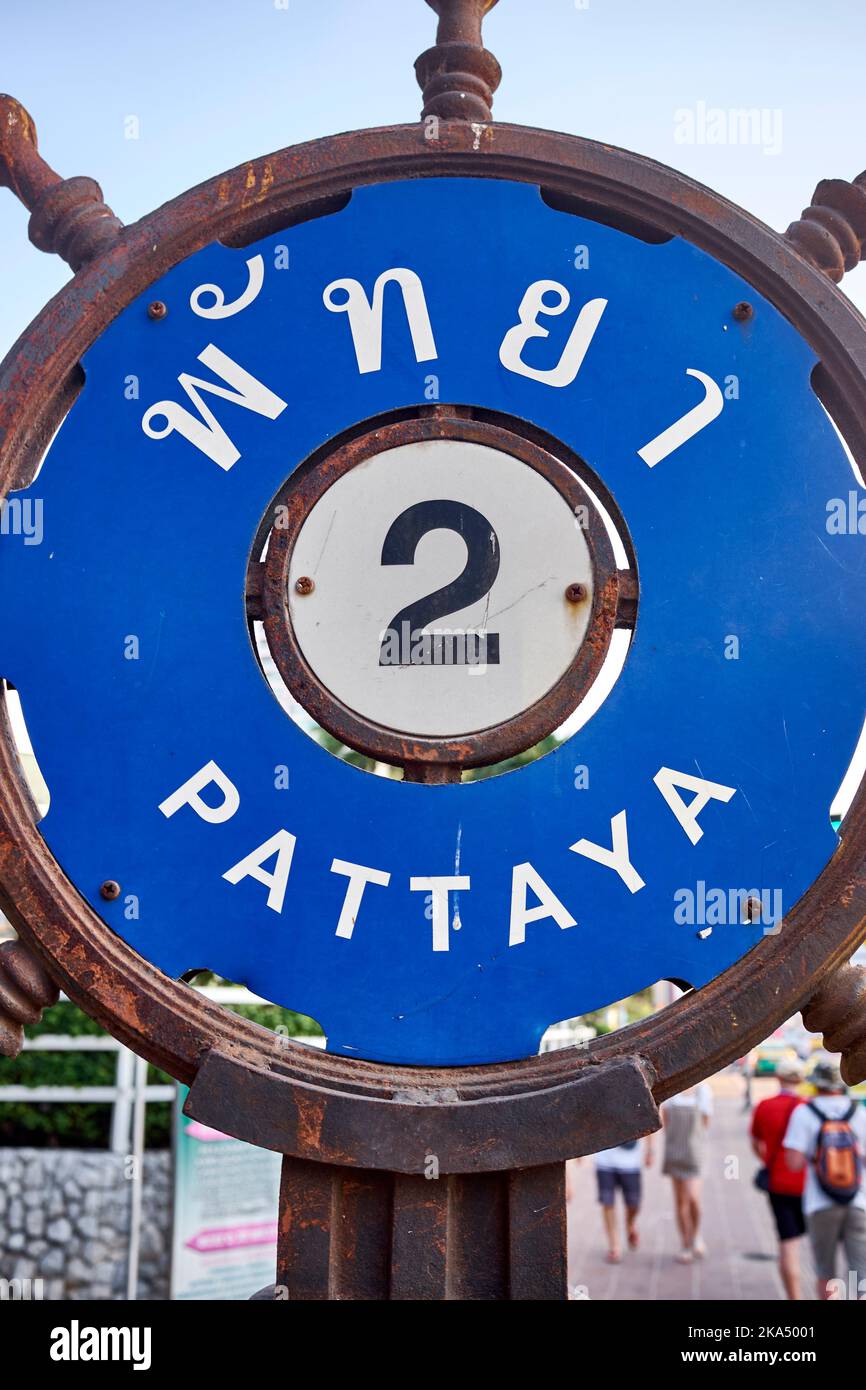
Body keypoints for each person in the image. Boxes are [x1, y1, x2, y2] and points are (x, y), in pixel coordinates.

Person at [783, 1058, 866, 1300]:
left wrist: (818, 1155)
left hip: (820, 1203)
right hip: (858, 1200)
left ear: (816, 1084)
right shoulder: (859, 1112)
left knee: (826, 1272)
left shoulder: (804, 1113)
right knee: (861, 1273)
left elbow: (793, 1162)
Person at [750, 1059, 805, 1300]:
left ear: (779, 1079)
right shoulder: (808, 1107)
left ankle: (795, 1297)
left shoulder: (764, 1106)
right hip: (809, 1186)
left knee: (788, 1244)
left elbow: (756, 1143)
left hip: (778, 1183)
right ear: (800, 1080)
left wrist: (768, 1160)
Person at [661, 1082, 713, 1263]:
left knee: (693, 1198)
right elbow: (665, 1119)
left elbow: (706, 1121)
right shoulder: (671, 1091)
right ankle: (685, 1243)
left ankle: (695, 1234)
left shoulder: (702, 1091)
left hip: (695, 1153)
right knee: (680, 1201)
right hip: (675, 1151)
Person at [592, 1136, 654, 1263]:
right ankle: (614, 1245)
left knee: (634, 1204)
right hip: (604, 1159)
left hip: (631, 1161)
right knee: (607, 1202)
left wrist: (650, 1150)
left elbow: (650, 1119)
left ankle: (630, 1224)